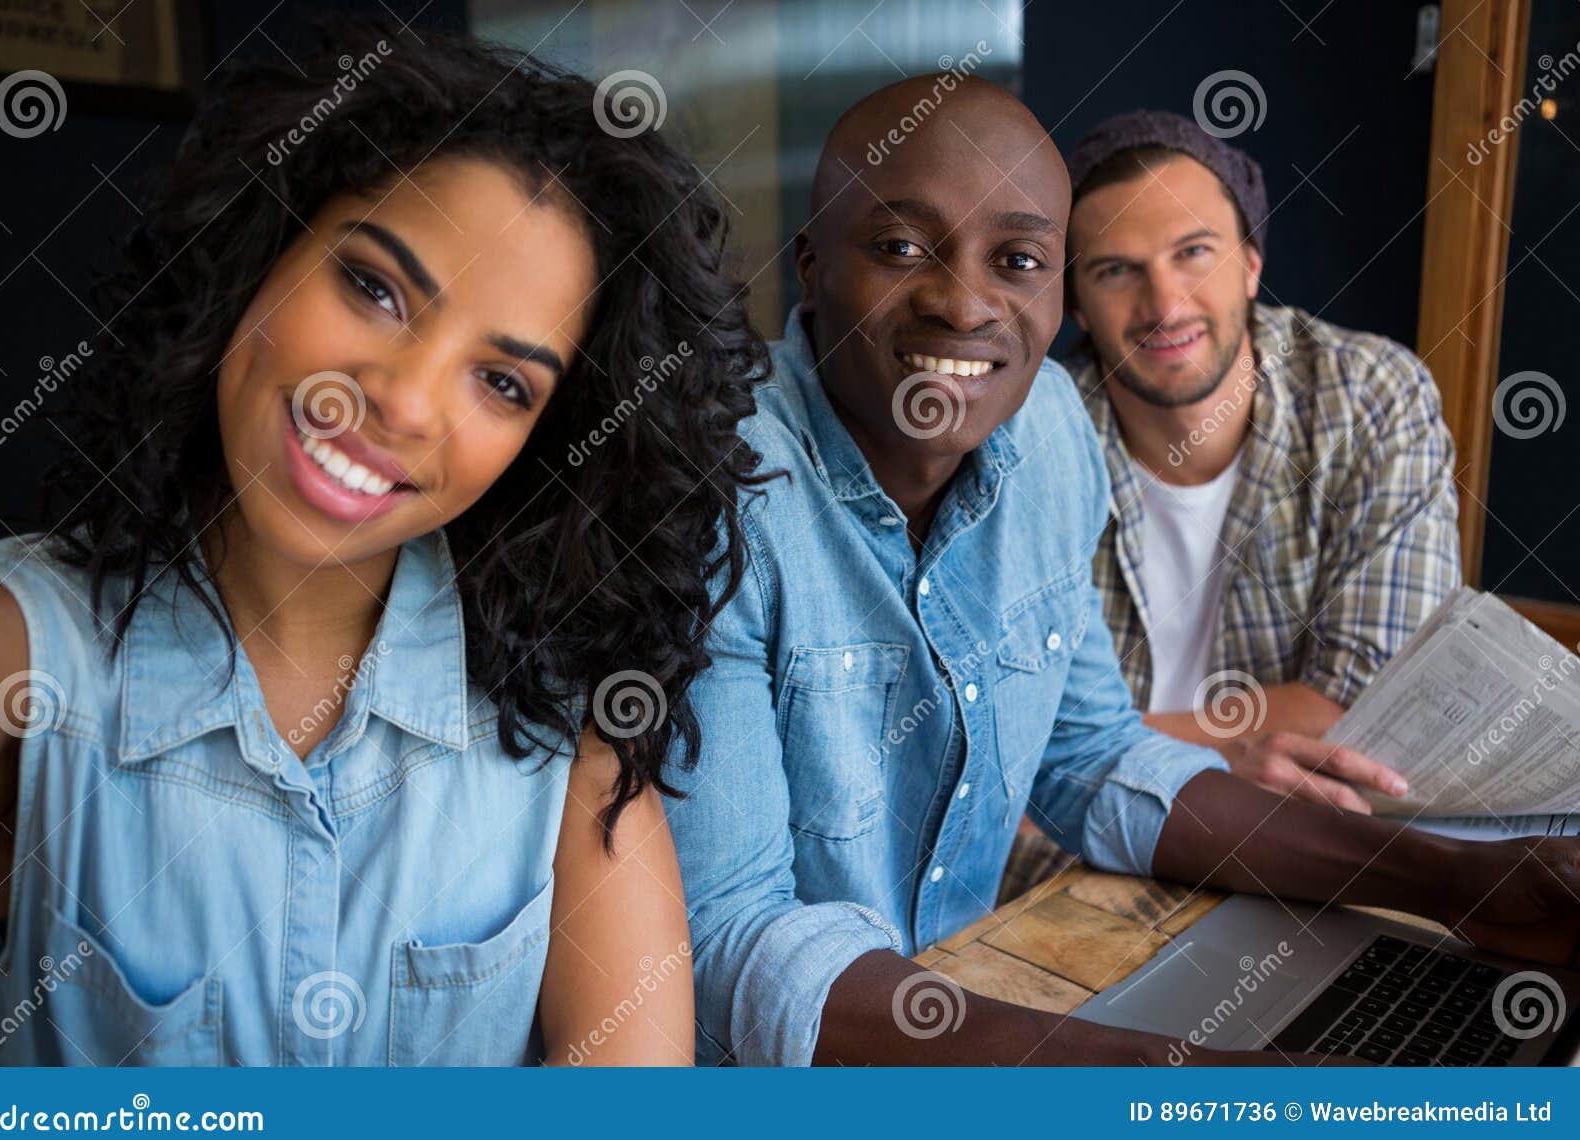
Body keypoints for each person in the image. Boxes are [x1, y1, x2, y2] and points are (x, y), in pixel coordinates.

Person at [663, 74, 1580, 1067]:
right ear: (810, 264)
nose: (964, 300)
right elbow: (727, 940)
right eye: (898, 247)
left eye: (1016, 259)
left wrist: (1461, 882)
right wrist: (1141, 1073)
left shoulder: (1048, 429)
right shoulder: (712, 489)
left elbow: (1095, 758)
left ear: (1053, 294)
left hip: (975, 1001)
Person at [0, 23, 768, 1066]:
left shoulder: (567, 724)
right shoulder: (16, 658)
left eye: (502, 382)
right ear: (260, 252)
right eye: (374, 287)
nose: (401, 400)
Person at [1063, 110, 1461, 812]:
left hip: (1297, 835)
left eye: (1193, 252)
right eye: (1117, 269)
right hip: (1086, 843)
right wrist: (1200, 756)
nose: (1164, 304)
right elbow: (1000, 727)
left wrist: (1098, 756)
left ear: (1250, 264)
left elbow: (1374, 711)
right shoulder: (1036, 433)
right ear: (1080, 308)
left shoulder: (1369, 398)